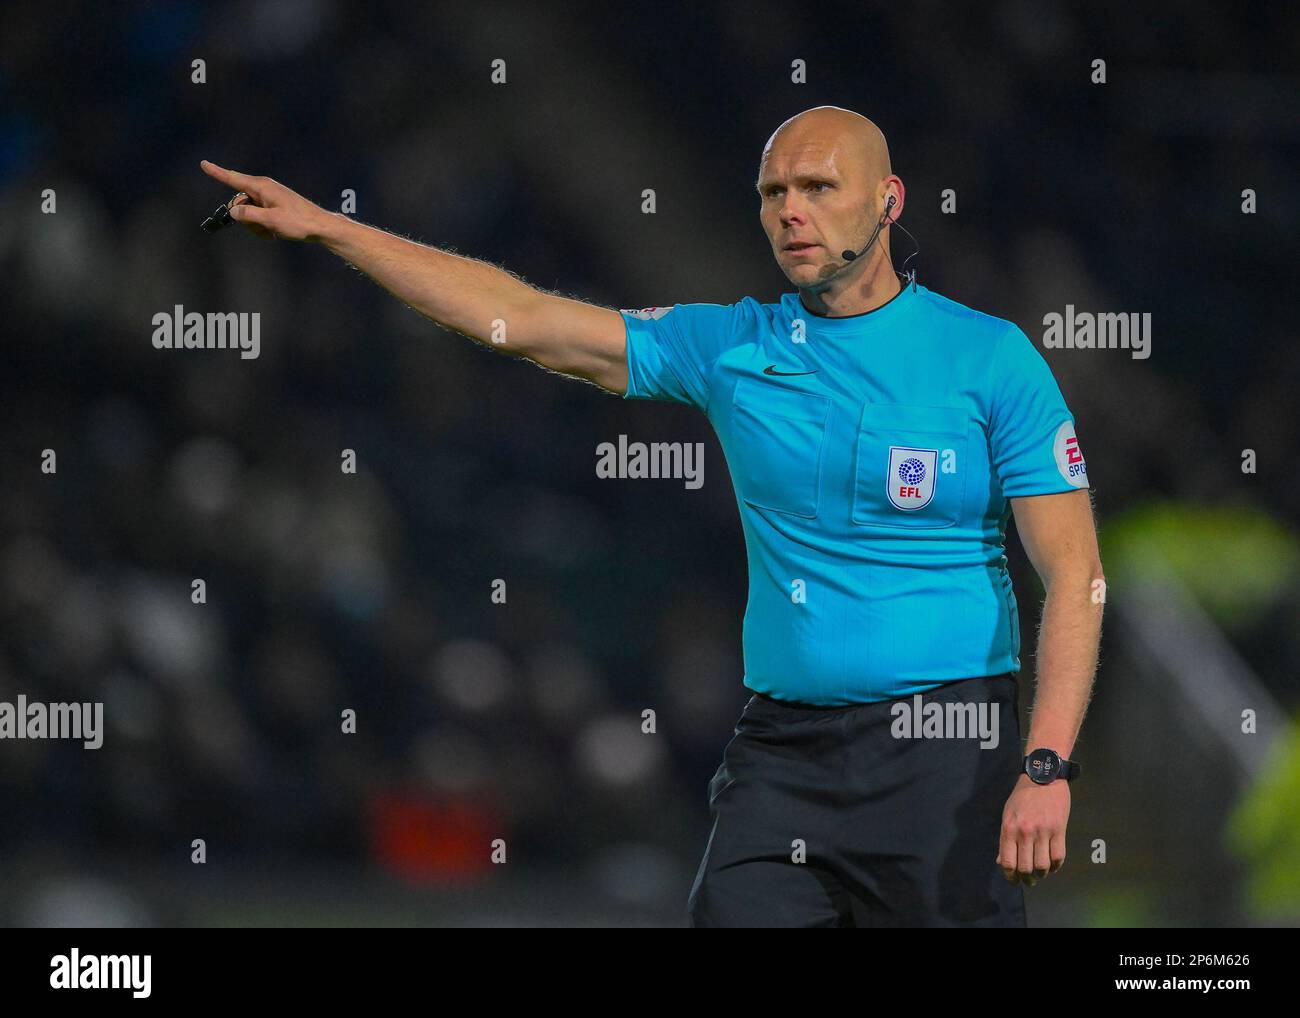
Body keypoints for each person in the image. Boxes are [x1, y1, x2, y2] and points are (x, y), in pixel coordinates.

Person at [200, 104, 1104, 927]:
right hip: (786, 751)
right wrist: (329, 229)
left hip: (946, 751)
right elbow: (523, 317)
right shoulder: (731, 346)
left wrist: (1045, 766)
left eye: (819, 187)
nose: (791, 210)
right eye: (773, 191)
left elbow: (1075, 575)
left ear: (888, 199)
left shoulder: (990, 358)